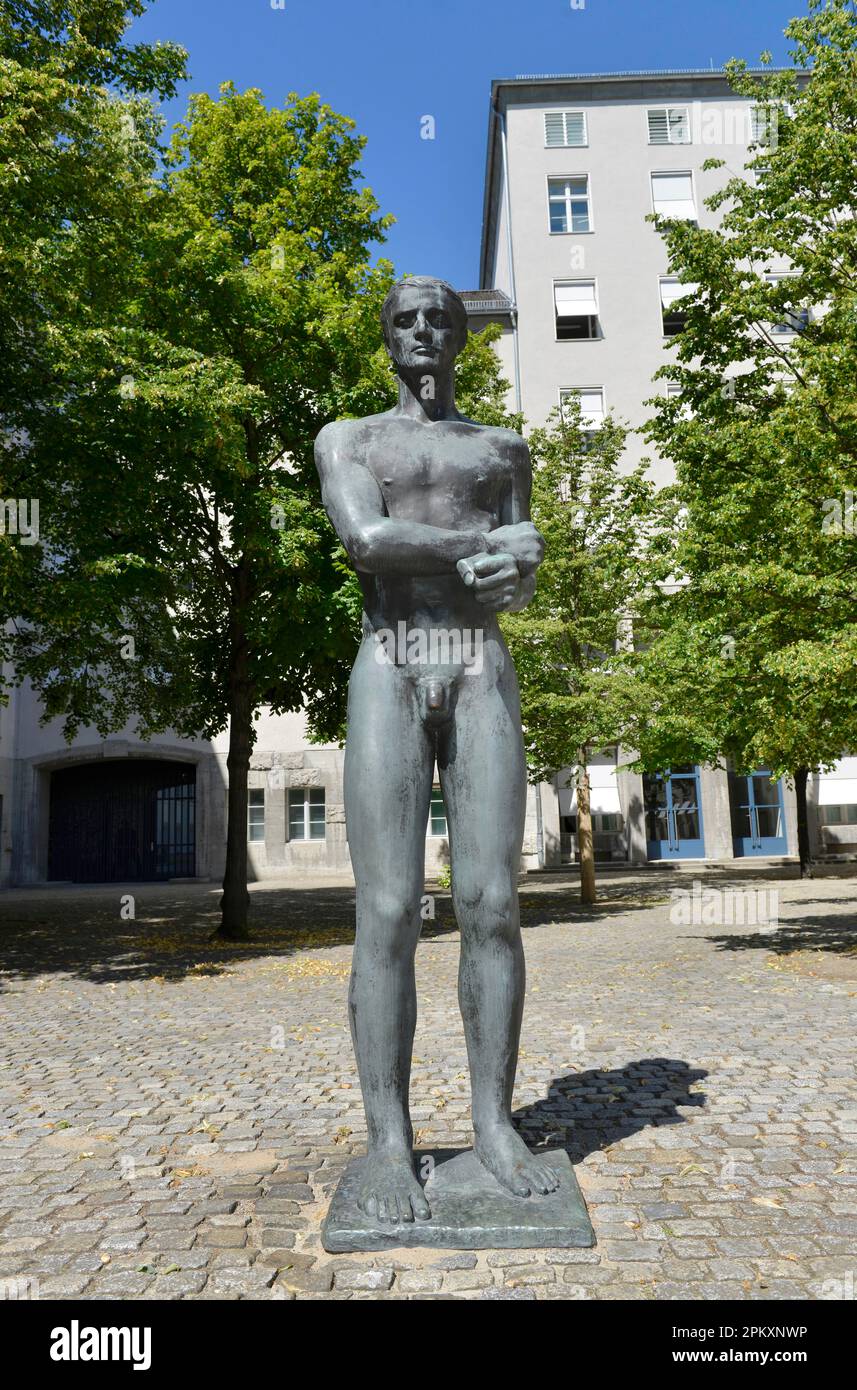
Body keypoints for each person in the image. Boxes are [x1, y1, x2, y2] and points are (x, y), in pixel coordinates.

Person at [314, 276, 557, 1225]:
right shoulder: (351, 438)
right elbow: (367, 539)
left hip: (476, 665)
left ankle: (494, 1124)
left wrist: (522, 561)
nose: (423, 333)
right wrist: (485, 544)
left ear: (461, 339)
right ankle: (389, 1143)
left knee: (492, 902)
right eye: (405, 320)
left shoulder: (501, 448)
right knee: (385, 910)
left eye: (439, 321)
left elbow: (514, 577)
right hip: (391, 663)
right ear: (388, 339)